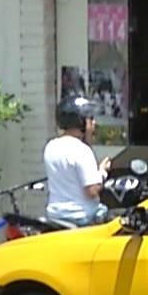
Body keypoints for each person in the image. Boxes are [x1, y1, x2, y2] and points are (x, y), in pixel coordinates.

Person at [42, 95, 110, 227]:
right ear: (80, 121)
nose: (93, 123)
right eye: (90, 118)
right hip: (80, 217)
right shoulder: (81, 150)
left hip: (55, 215)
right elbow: (92, 191)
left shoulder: (50, 147)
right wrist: (102, 172)